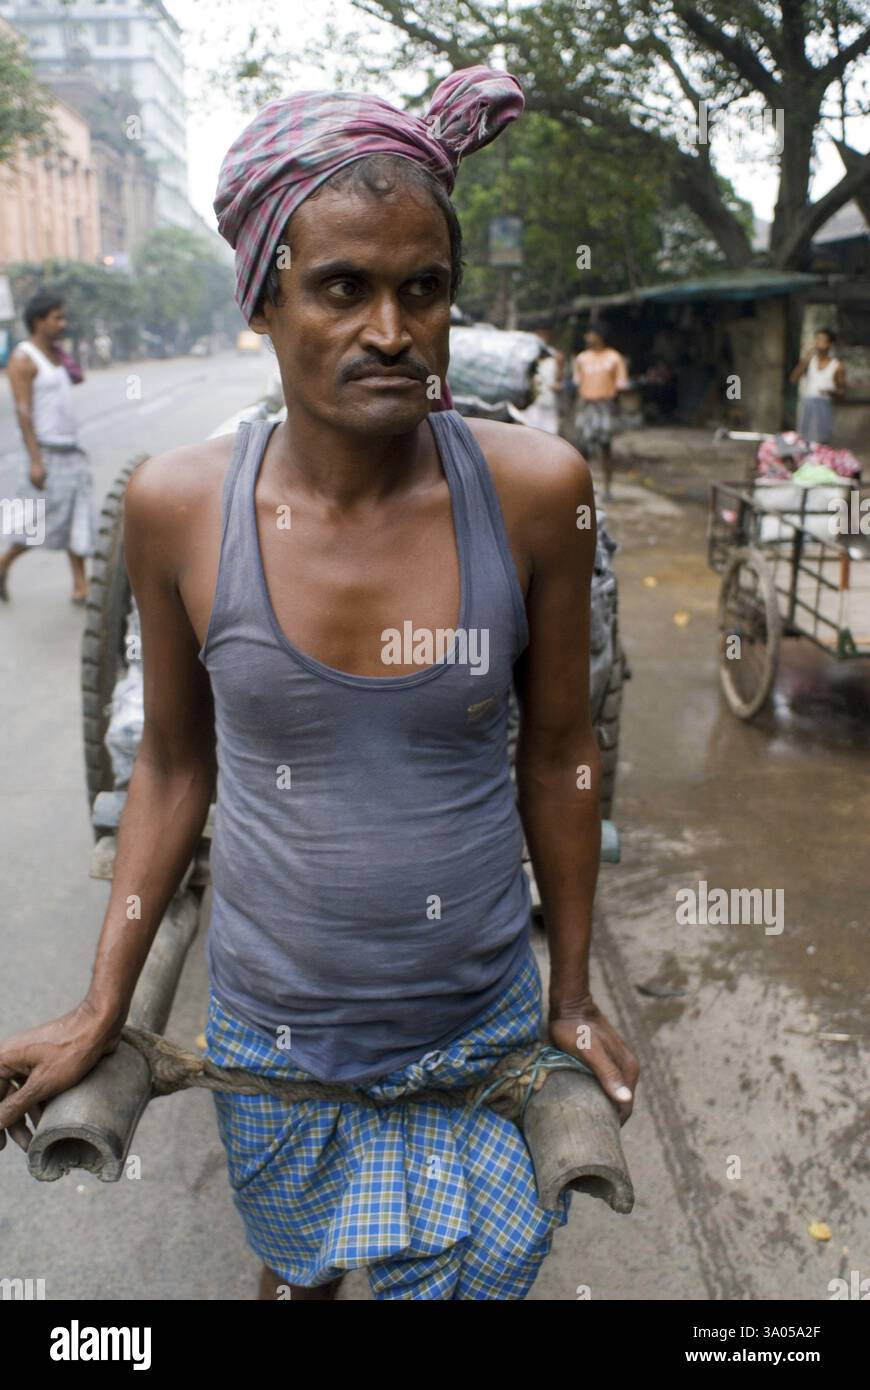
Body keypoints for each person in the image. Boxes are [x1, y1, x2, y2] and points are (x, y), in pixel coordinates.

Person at [0, 67, 639, 1302]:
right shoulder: (182, 507)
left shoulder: (536, 490)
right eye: (342, 287)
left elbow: (561, 749)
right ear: (266, 300)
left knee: (472, 1269)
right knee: (301, 1265)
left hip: (480, 1026)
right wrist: (100, 1004)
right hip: (274, 1033)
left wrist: (572, 993)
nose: (390, 329)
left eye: (424, 289)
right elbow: (177, 767)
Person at [0, 292, 94, 604]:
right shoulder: (23, 358)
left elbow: (76, 382)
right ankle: (3, 563)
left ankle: (81, 584)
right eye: (57, 317)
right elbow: (23, 411)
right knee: (35, 524)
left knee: (78, 517)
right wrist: (36, 460)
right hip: (46, 452)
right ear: (39, 321)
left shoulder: (55, 354)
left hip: (71, 450)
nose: (62, 323)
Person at [573, 325, 630, 501]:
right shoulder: (582, 358)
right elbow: (577, 382)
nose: (587, 337)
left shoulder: (613, 357)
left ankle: (607, 489)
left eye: (591, 334)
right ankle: (581, 489)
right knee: (583, 450)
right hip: (586, 404)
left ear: (599, 336)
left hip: (605, 405)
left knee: (606, 449)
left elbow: (622, 384)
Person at [789, 326, 846, 444]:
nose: (818, 343)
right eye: (817, 339)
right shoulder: (810, 361)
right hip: (808, 405)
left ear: (829, 343)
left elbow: (842, 392)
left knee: (821, 442)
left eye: (822, 340)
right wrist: (806, 358)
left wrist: (831, 392)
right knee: (803, 440)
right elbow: (793, 379)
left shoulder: (837, 366)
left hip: (824, 406)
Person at [508, 326, 564, 434]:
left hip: (548, 401)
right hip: (532, 402)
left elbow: (558, 381)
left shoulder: (555, 356)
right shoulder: (525, 354)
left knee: (549, 434)